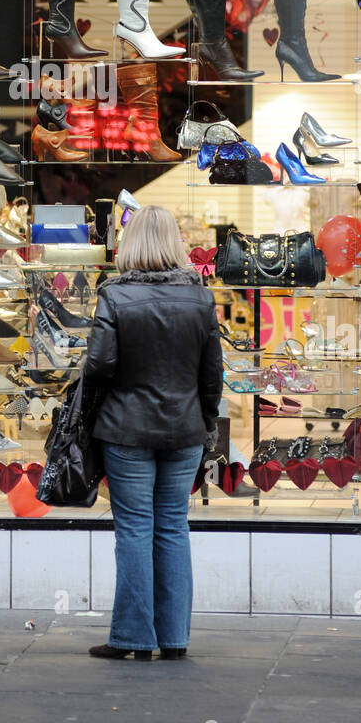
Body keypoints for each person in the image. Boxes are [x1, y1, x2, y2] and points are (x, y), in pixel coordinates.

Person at [82, 204, 223, 661]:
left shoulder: (115, 297)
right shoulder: (200, 299)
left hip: (126, 430)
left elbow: (100, 365)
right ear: (176, 244)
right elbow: (211, 376)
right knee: (173, 528)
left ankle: (134, 638)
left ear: (130, 242)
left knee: (135, 530)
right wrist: (202, 423)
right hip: (184, 429)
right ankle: (175, 639)